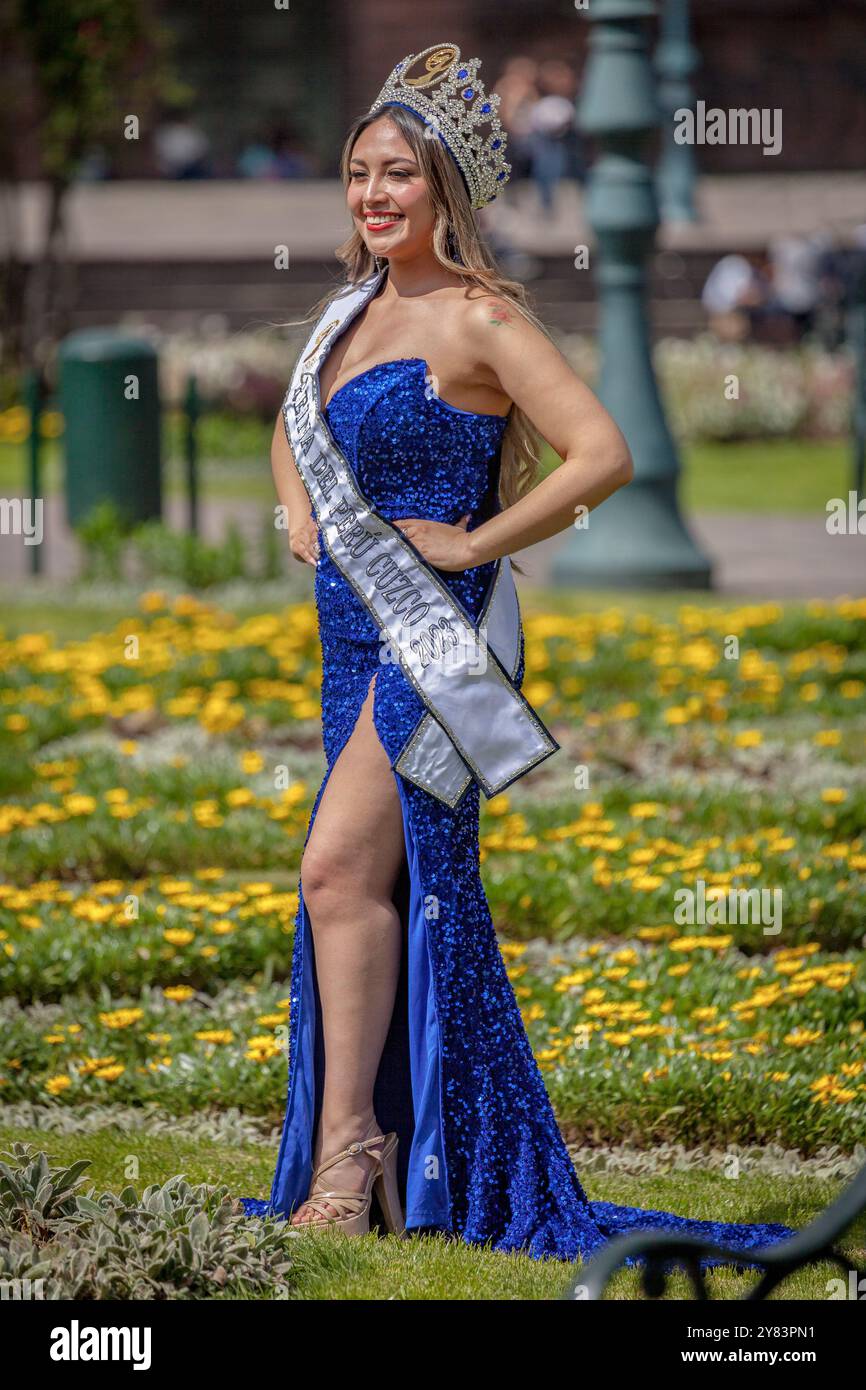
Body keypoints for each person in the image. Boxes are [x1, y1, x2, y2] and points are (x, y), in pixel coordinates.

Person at [240, 43, 797, 1268]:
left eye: (395, 176)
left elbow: (602, 453)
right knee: (391, 891)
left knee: (336, 872)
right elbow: (297, 430)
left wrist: (476, 539)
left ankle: (352, 1156)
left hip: (437, 651)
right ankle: (398, 1147)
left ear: (443, 189)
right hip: (349, 639)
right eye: (356, 175)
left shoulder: (478, 317)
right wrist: (296, 509)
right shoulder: (349, 311)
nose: (372, 196)